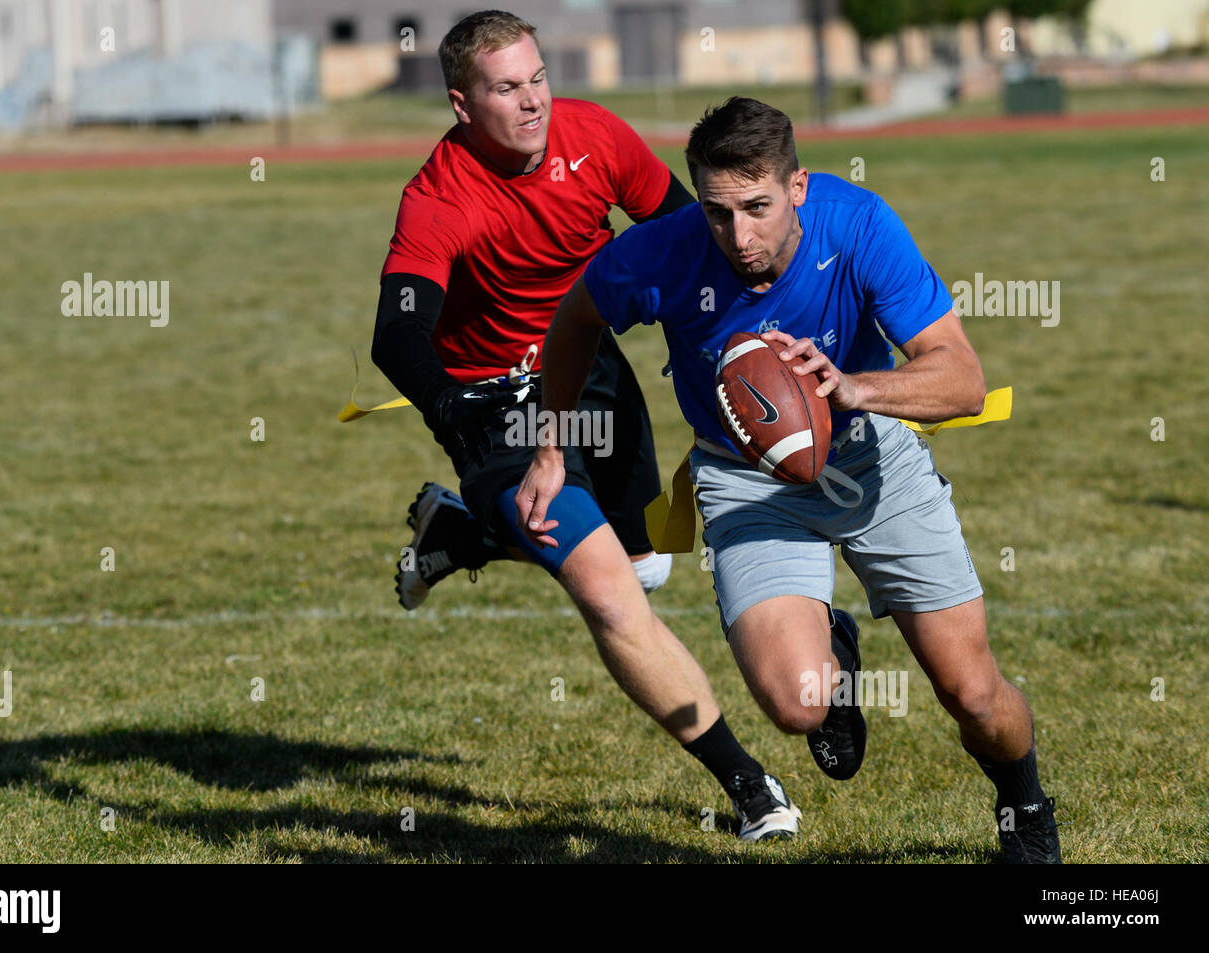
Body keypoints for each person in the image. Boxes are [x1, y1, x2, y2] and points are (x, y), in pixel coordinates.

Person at [516, 96, 1062, 863]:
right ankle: (832, 659)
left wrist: (855, 388)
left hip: (870, 455)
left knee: (971, 693)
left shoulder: (860, 224)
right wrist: (550, 449)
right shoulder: (662, 253)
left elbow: (963, 380)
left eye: (757, 208)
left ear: (798, 188)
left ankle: (1024, 800)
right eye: (717, 211)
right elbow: (573, 320)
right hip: (743, 479)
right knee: (798, 703)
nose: (739, 236)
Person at [370, 14, 802, 840]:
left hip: (593, 376)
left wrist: (753, 337)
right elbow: (398, 333)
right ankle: (748, 782)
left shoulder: (596, 136)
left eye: (538, 78)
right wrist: (455, 417)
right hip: (496, 405)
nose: (532, 101)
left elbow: (689, 238)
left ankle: (461, 537)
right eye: (507, 88)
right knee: (607, 591)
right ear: (463, 104)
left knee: (644, 572)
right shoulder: (438, 197)